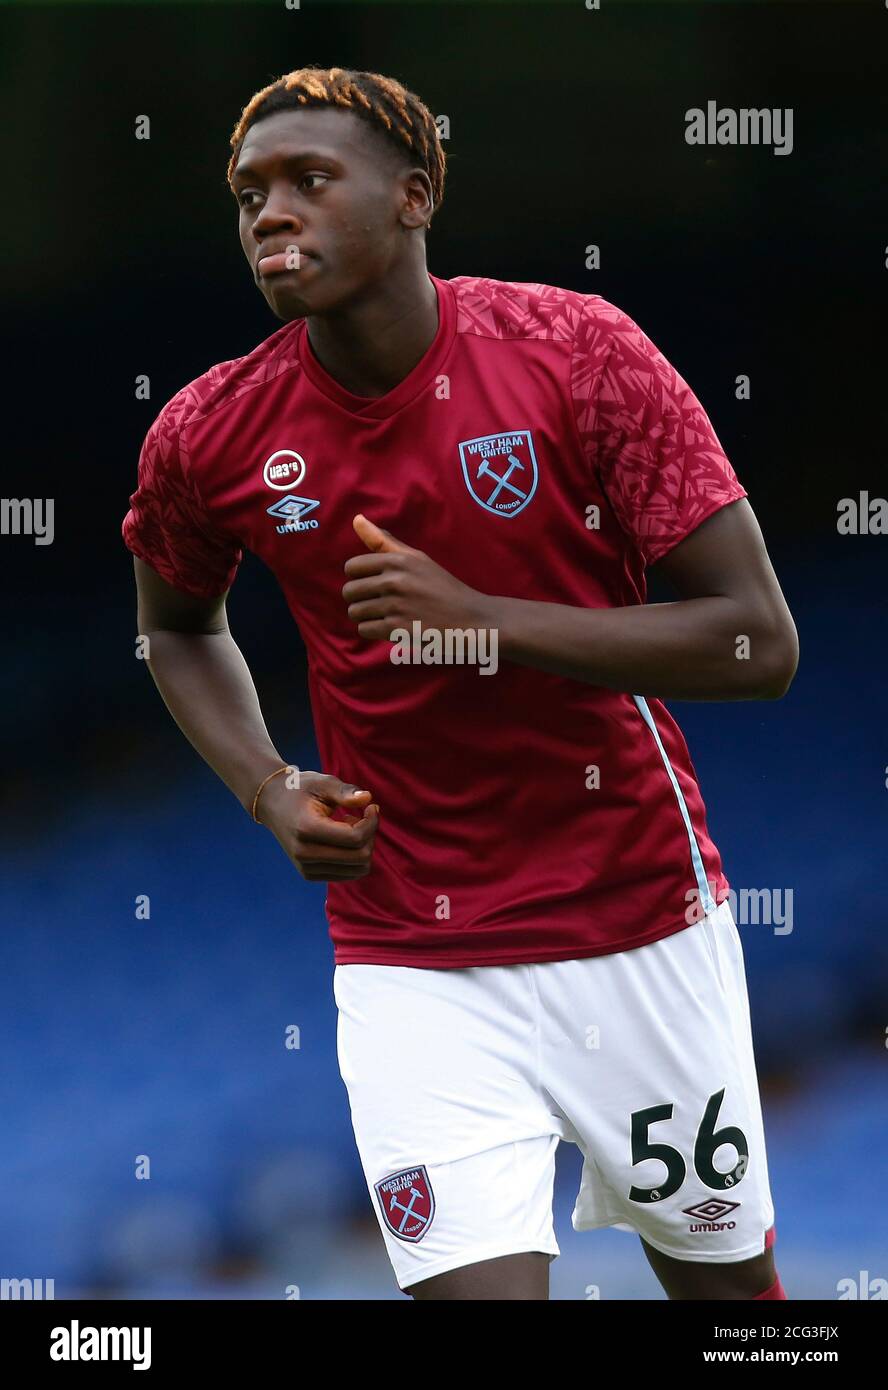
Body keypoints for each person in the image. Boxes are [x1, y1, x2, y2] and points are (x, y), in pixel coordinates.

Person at [122, 65, 798, 1301]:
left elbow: (756, 641)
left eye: (310, 181)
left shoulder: (579, 355)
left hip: (636, 919)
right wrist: (268, 785)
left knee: (734, 1312)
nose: (271, 213)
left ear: (415, 195)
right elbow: (175, 625)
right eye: (249, 193)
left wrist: (487, 623)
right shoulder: (211, 433)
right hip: (410, 956)